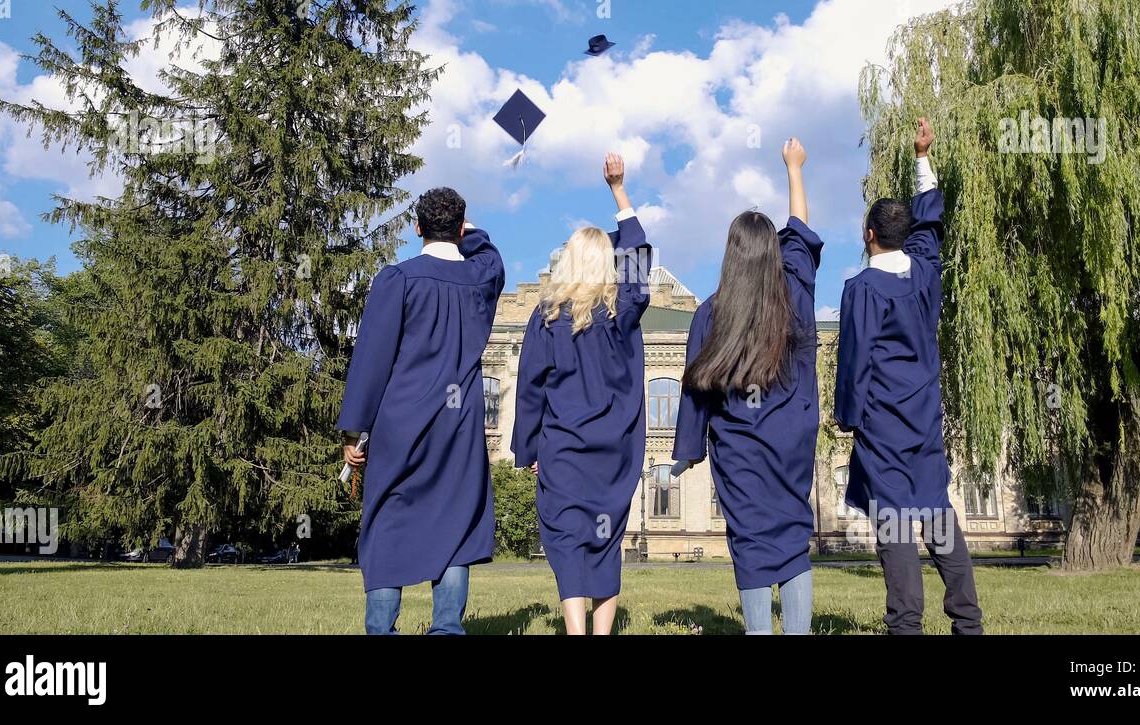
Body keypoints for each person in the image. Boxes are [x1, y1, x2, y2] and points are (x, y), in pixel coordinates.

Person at [834, 118, 983, 635]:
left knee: (895, 525)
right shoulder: (925, 273)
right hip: (924, 418)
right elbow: (932, 226)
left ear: (869, 235)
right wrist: (923, 157)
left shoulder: (861, 290)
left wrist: (847, 418)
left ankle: (906, 624)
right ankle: (967, 621)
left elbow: (854, 361)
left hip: (882, 426)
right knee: (938, 514)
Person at [338, 187, 504, 635]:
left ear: (416, 228)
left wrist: (354, 431)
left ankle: (381, 630)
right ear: (462, 226)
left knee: (388, 520)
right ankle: (447, 629)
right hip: (460, 424)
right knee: (455, 523)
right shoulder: (482, 278)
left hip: (400, 420)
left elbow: (371, 359)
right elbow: (489, 253)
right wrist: (467, 232)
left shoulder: (398, 279)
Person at [673, 137, 822, 635]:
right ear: (773, 255)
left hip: (737, 450)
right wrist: (794, 169)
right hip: (791, 443)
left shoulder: (710, 313)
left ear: (731, 256)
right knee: (792, 536)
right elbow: (799, 233)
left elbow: (695, 388)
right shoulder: (795, 295)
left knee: (752, 540)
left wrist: (688, 449)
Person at [512, 153, 651, 635]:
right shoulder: (622, 311)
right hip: (613, 449)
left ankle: (575, 631)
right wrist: (619, 191)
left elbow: (529, 388)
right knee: (606, 538)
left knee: (567, 537)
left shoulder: (546, 317)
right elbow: (638, 253)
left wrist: (527, 448)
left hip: (565, 447)